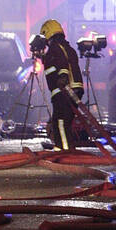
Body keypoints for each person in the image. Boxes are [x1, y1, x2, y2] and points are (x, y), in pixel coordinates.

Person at [40, 19, 84, 151]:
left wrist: (63, 77)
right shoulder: (67, 48)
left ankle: (64, 150)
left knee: (60, 121)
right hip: (75, 89)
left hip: (63, 90)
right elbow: (60, 62)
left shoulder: (55, 47)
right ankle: (64, 147)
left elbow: (61, 63)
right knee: (65, 120)